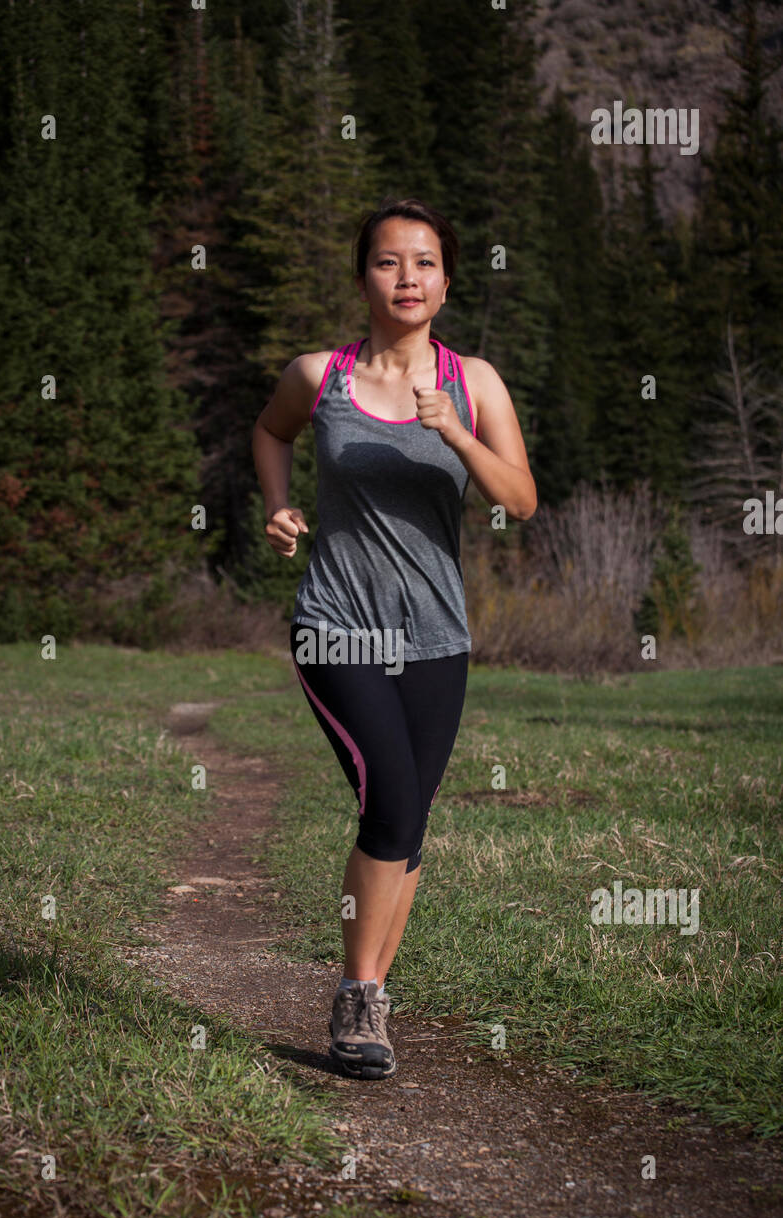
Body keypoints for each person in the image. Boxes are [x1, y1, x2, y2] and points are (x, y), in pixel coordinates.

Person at [252, 196, 536, 1080]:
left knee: (407, 819)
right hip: (337, 627)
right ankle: (354, 995)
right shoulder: (320, 374)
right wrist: (278, 504)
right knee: (390, 805)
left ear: (447, 281)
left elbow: (519, 502)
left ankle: (370, 995)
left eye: (423, 263)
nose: (406, 277)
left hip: (437, 637)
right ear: (363, 276)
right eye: (387, 261)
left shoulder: (474, 382)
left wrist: (452, 428)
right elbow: (269, 432)